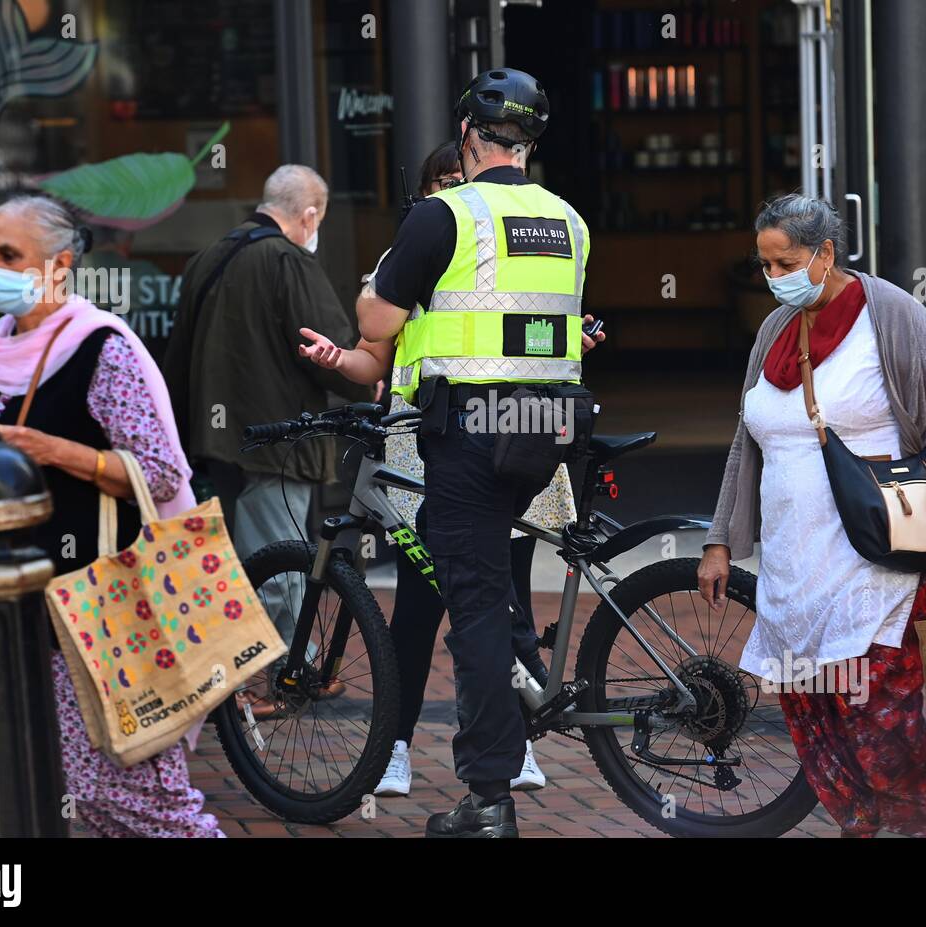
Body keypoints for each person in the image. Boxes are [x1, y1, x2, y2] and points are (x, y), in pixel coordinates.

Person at [0, 195, 222, 837]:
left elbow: (163, 474)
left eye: (8, 254)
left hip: (99, 612)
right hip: (7, 623)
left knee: (147, 804)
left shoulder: (101, 348)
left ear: (59, 265)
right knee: (22, 788)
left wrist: (60, 452)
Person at [298, 140, 600, 798]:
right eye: (435, 182)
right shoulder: (404, 257)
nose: (446, 191)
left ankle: (514, 742)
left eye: (452, 178)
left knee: (508, 598)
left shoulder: (515, 248)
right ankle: (397, 746)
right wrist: (336, 361)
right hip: (418, 444)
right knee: (417, 606)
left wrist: (564, 339)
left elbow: (537, 340)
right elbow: (373, 357)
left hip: (504, 441)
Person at [697, 193, 926, 837]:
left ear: (826, 253)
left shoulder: (894, 316)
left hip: (879, 562)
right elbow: (749, 438)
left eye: (787, 262)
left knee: (880, 715)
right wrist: (719, 541)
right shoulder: (774, 331)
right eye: (765, 265)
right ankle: (860, 823)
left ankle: (909, 825)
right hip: (795, 566)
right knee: (811, 709)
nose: (775, 278)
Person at [163, 165, 371, 655]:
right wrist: (366, 374)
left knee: (239, 565)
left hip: (217, 443)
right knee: (279, 565)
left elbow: (177, 356)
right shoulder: (287, 260)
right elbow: (327, 350)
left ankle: (254, 670)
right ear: (309, 214)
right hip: (276, 444)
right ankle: (283, 673)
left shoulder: (208, 257)